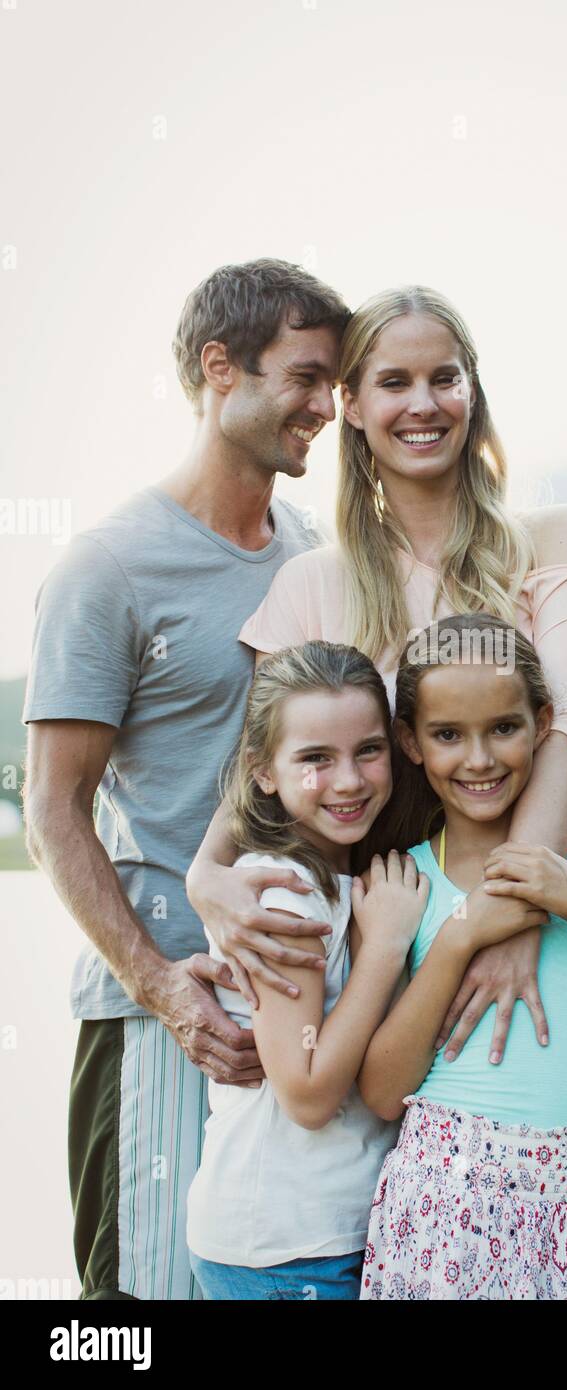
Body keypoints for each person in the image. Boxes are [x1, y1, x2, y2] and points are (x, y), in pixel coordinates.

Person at [21, 259, 350, 1300]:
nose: (326, 407)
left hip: (299, 1016)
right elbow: (50, 809)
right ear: (220, 368)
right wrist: (163, 991)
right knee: (135, 1312)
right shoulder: (109, 566)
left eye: (335, 381)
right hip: (168, 1002)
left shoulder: (309, 551)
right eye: (305, 376)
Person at [187, 284, 567, 1072]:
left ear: (472, 392)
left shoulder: (556, 539)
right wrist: (204, 875)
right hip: (379, 937)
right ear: (351, 405)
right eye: (394, 383)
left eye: (444, 379)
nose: (423, 404)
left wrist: (509, 921)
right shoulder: (312, 582)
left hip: (530, 914)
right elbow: (266, 764)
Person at [357, 614, 567, 1299]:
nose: (478, 760)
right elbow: (383, 1092)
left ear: (542, 722)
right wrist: (458, 937)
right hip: (445, 1214)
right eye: (448, 735)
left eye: (503, 728)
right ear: (411, 743)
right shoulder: (402, 882)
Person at [185, 641, 429, 1300]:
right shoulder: (284, 889)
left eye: (367, 751)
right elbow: (308, 1094)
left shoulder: (338, 874)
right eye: (315, 759)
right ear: (264, 772)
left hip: (324, 1236)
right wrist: (384, 949)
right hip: (285, 1250)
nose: (347, 780)